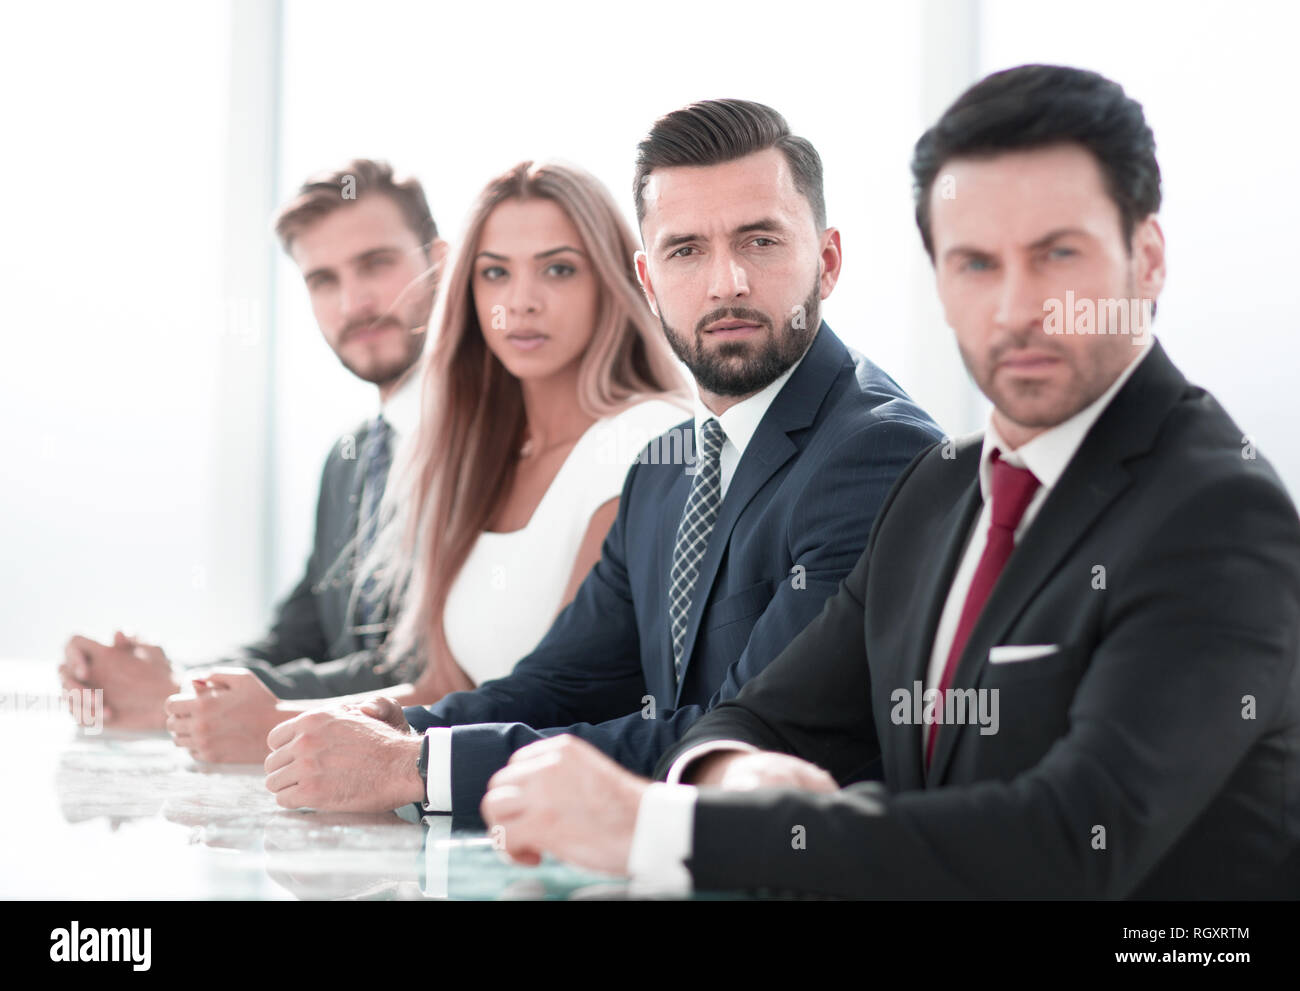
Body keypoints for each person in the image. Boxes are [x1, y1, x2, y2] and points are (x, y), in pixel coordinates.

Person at [479, 65, 1300, 900]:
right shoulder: (940, 492)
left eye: (1057, 253)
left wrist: (664, 827)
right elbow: (763, 715)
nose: (1016, 307)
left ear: (1148, 258)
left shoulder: (1219, 512)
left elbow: (1073, 838)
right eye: (976, 263)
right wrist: (732, 773)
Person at [261, 99, 943, 819]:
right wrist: (390, 729)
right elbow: (562, 683)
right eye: (686, 250)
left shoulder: (875, 454)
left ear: (827, 261)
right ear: (649, 282)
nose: (726, 283)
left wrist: (419, 766)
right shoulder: (665, 467)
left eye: (760, 241)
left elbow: (738, 733)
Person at [163, 160, 694, 761]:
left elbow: (565, 692)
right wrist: (261, 715)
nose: (519, 303)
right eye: (495, 273)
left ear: (614, 280)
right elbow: (444, 685)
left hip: (561, 810)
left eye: (559, 269)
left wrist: (280, 723)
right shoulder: (474, 454)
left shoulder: (647, 442)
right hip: (460, 807)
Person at [59, 160, 446, 732]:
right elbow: (298, 639)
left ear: (439, 265)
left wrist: (175, 695)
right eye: (323, 280)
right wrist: (177, 679)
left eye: (376, 264)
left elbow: (429, 672)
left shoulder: (487, 443)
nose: (353, 301)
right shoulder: (351, 459)